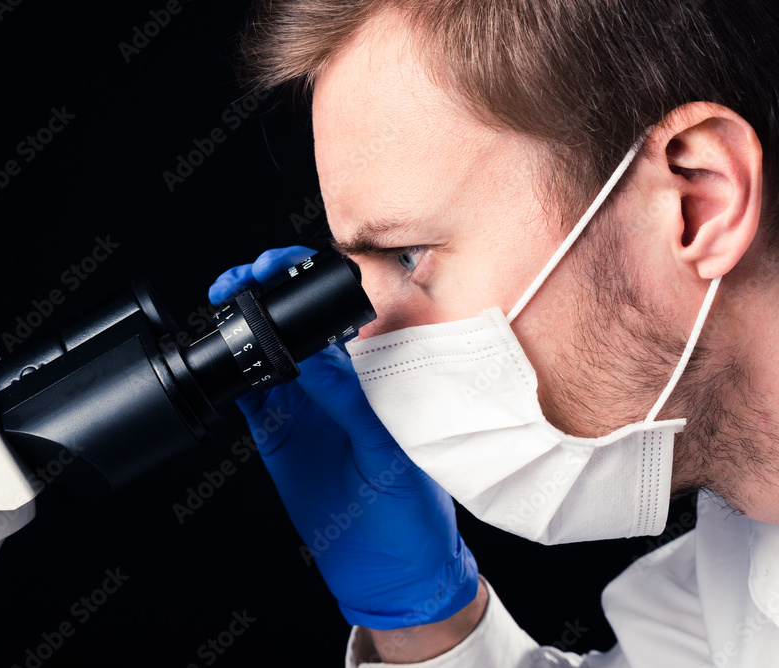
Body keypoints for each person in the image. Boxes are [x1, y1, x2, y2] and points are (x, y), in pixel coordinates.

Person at [209, 1, 779, 666]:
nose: (360, 342)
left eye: (406, 255)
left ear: (695, 203)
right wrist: (426, 619)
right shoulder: (733, 574)